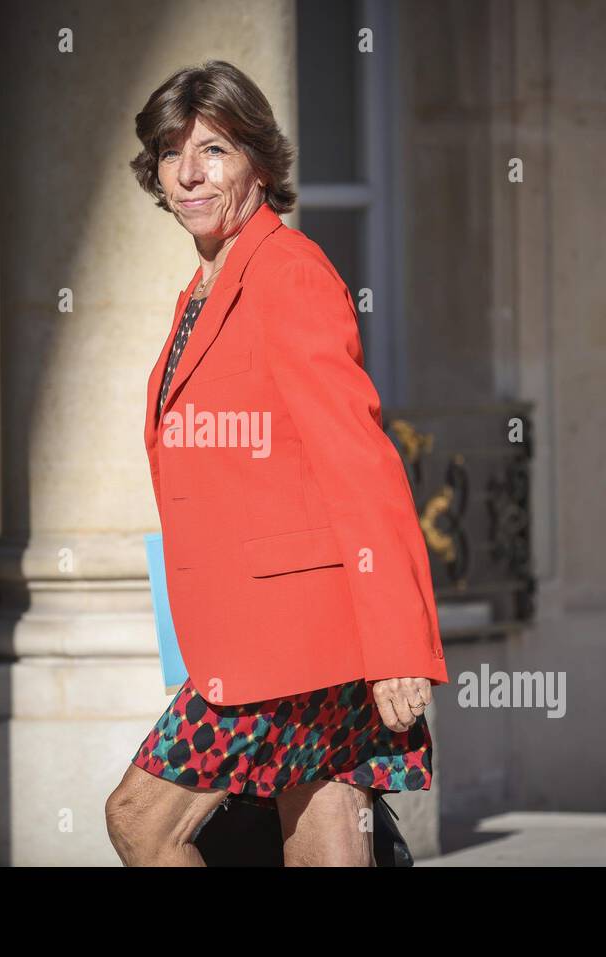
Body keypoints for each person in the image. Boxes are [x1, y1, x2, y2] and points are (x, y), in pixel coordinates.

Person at [105, 60, 449, 867]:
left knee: (140, 820)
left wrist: (400, 641)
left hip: (297, 638)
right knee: (323, 845)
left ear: (259, 161)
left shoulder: (288, 273)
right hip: (265, 634)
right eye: (169, 152)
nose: (187, 173)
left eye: (215, 150)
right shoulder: (203, 288)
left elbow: (360, 460)